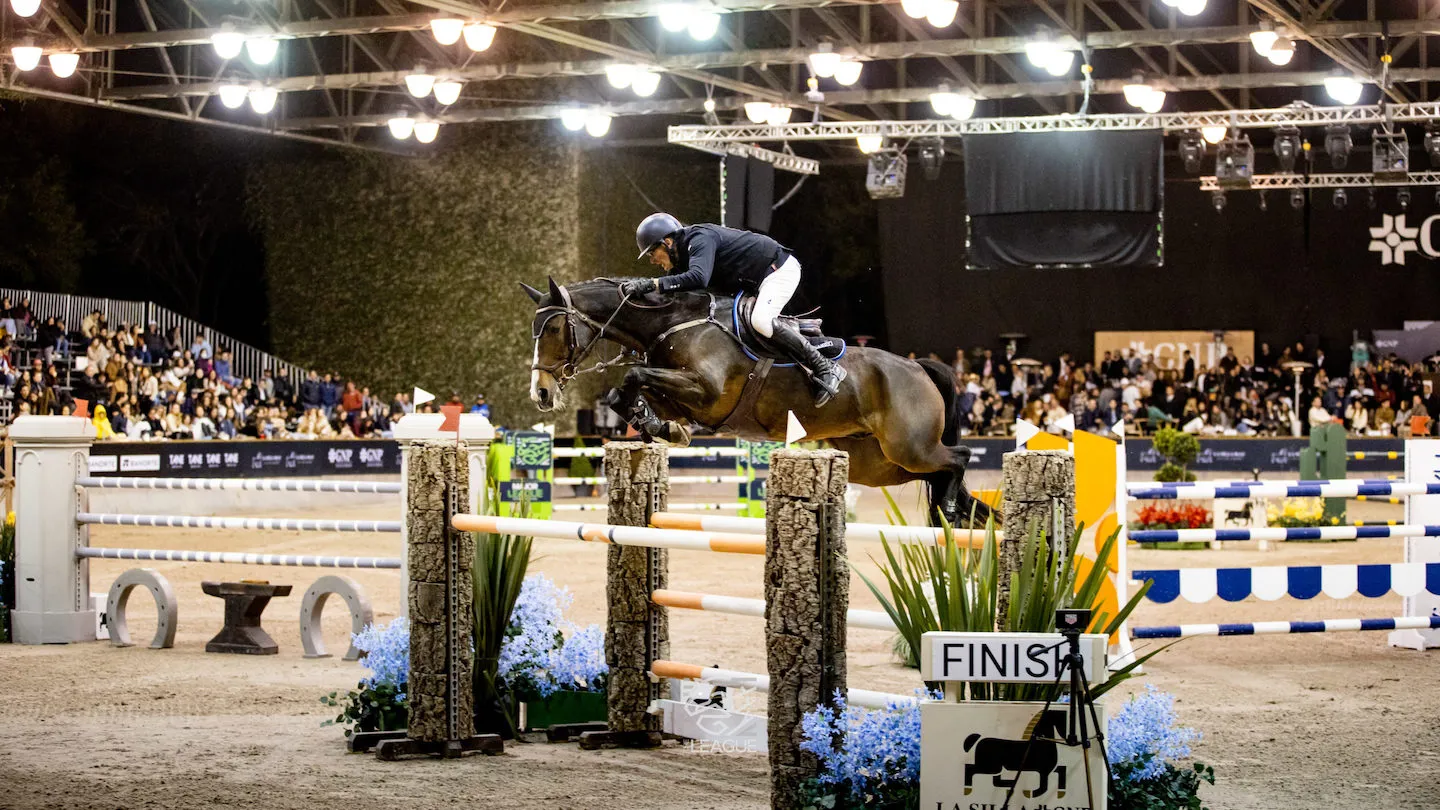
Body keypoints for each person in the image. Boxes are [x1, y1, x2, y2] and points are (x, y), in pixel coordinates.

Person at [620, 213, 846, 407]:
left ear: (667, 242)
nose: (652, 261)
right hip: (754, 282)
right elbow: (672, 303)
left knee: (761, 321)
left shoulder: (699, 238)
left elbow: (699, 277)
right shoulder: (680, 260)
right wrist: (634, 340)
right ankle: (797, 331)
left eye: (652, 253)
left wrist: (652, 283)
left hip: (778, 270)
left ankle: (824, 366)